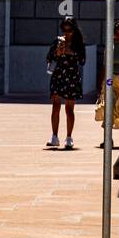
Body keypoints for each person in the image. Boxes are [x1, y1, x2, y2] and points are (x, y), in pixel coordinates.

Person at [46, 16, 86, 149]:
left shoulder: (78, 43)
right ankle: (54, 136)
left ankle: (69, 137)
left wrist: (71, 52)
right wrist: (58, 52)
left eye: (69, 30)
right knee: (56, 106)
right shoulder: (58, 41)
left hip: (72, 77)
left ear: (74, 30)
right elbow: (49, 58)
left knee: (69, 109)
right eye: (64, 30)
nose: (66, 33)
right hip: (58, 76)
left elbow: (82, 61)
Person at [95, 20, 119, 145]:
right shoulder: (110, 46)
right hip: (110, 79)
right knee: (108, 107)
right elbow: (104, 66)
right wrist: (100, 85)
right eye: (116, 33)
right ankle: (107, 139)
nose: (118, 36)